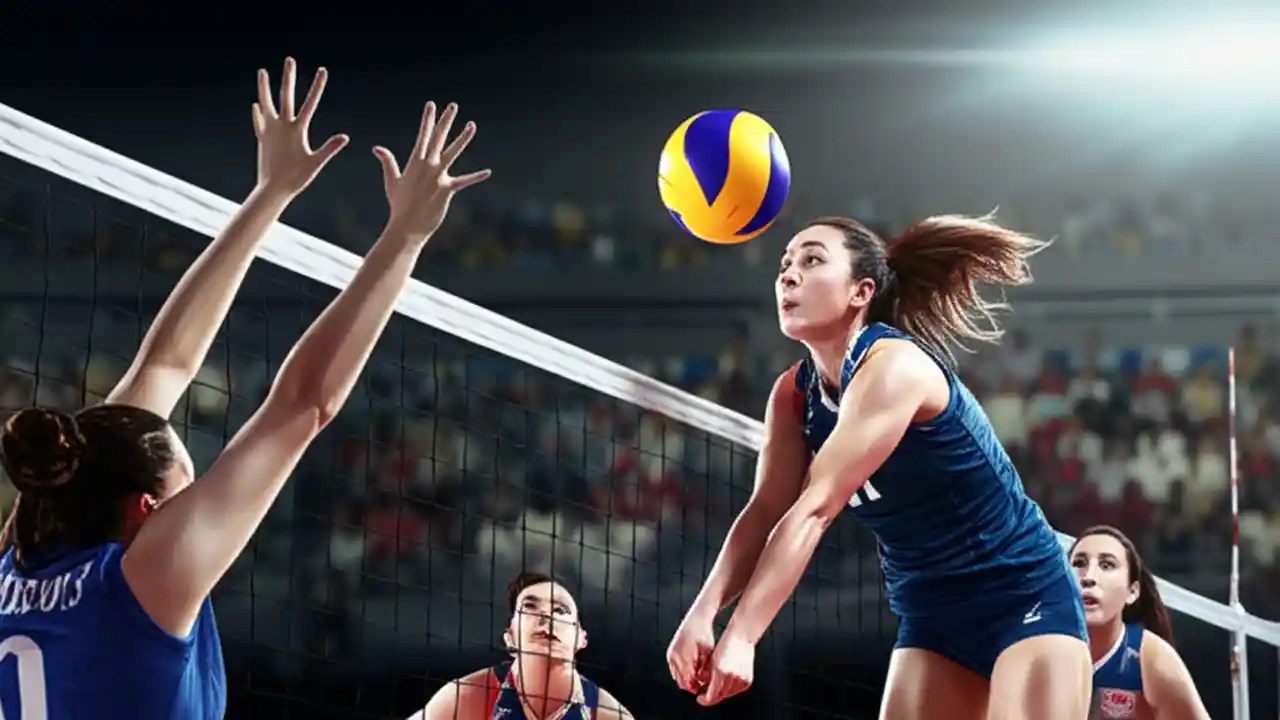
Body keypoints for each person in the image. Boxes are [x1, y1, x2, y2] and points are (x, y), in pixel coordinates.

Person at [0, 55, 490, 719]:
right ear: (149, 510)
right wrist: (404, 237)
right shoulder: (142, 579)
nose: (201, 496)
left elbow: (162, 370)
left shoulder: (19, 563)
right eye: (189, 482)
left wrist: (270, 195)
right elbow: (299, 404)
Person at [666, 215, 1093, 719]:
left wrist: (742, 635)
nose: (788, 274)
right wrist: (702, 612)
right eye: (784, 264)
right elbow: (764, 513)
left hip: (1020, 593)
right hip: (931, 614)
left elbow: (814, 511)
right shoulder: (793, 394)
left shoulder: (894, 366)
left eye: (812, 260)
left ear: (860, 291)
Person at [414, 571, 632, 720]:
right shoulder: (465, 698)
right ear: (510, 636)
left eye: (560, 611)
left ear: (581, 638)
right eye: (530, 607)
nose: (547, 617)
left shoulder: (608, 714)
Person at [1069, 526, 1209, 719]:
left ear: (1132, 592)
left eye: (1107, 565)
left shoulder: (1152, 659)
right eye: (1079, 563)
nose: (1088, 577)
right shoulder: (1037, 648)